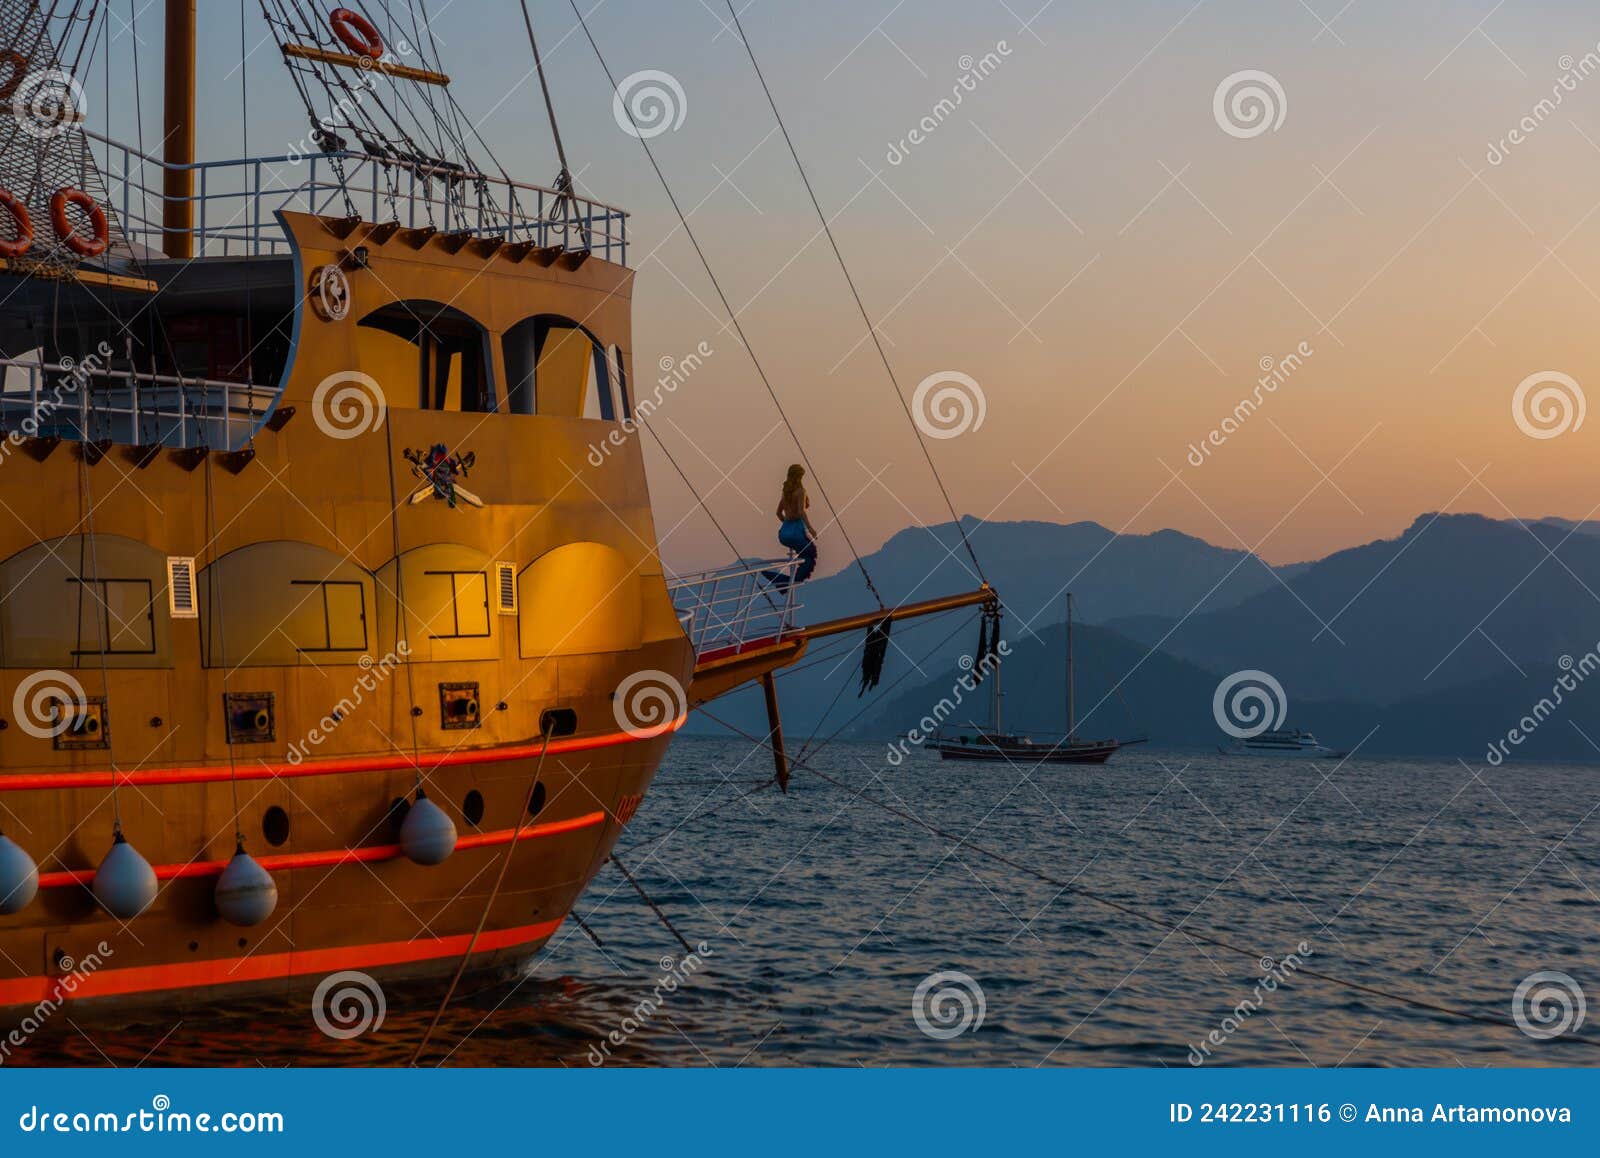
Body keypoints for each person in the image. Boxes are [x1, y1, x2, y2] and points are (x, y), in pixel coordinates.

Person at [770, 463, 818, 585]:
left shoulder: (785, 493)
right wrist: (811, 529)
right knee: (811, 554)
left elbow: (778, 513)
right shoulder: (800, 491)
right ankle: (790, 582)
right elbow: (801, 512)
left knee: (804, 553)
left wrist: (787, 525)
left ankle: (787, 582)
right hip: (796, 530)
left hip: (784, 533)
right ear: (799, 477)